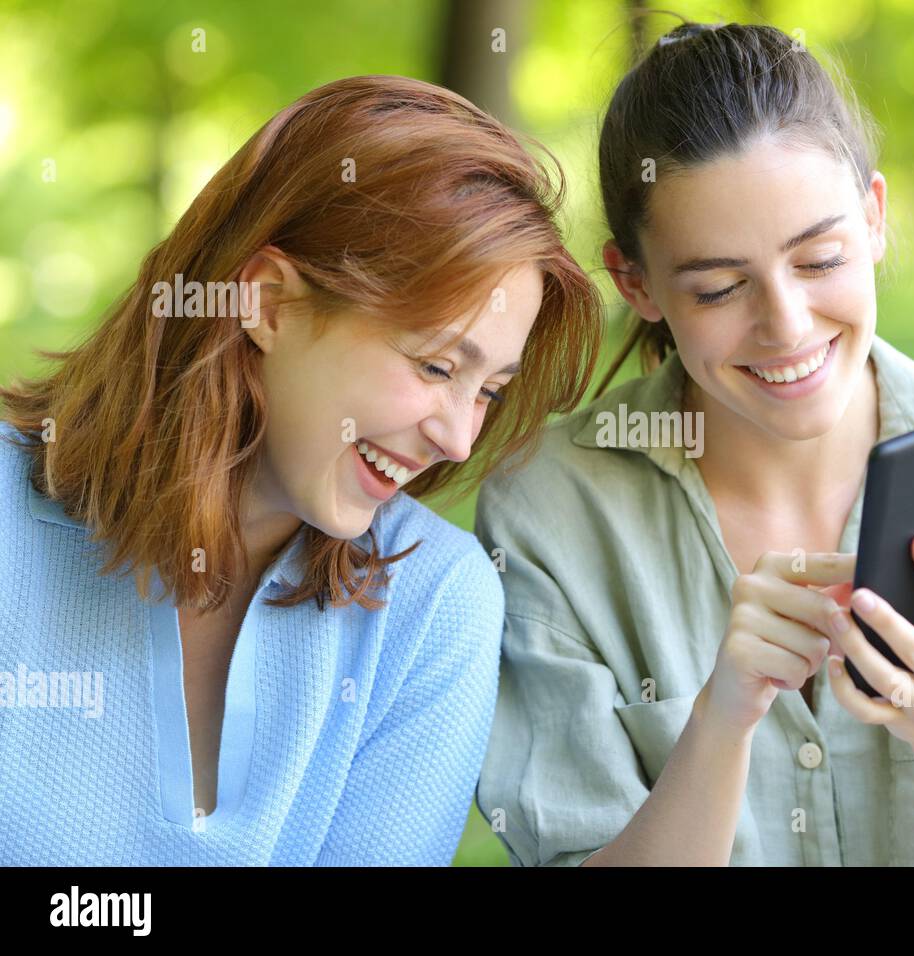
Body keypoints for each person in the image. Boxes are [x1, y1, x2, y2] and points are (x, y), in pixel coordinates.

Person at [473, 22, 914, 866]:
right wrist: (719, 721)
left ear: (874, 219)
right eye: (719, 287)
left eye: (820, 259)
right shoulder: (550, 511)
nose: (786, 326)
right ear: (635, 283)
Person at [0, 75, 602, 865]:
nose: (459, 440)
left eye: (489, 390)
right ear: (270, 305)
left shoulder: (434, 605)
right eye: (434, 366)